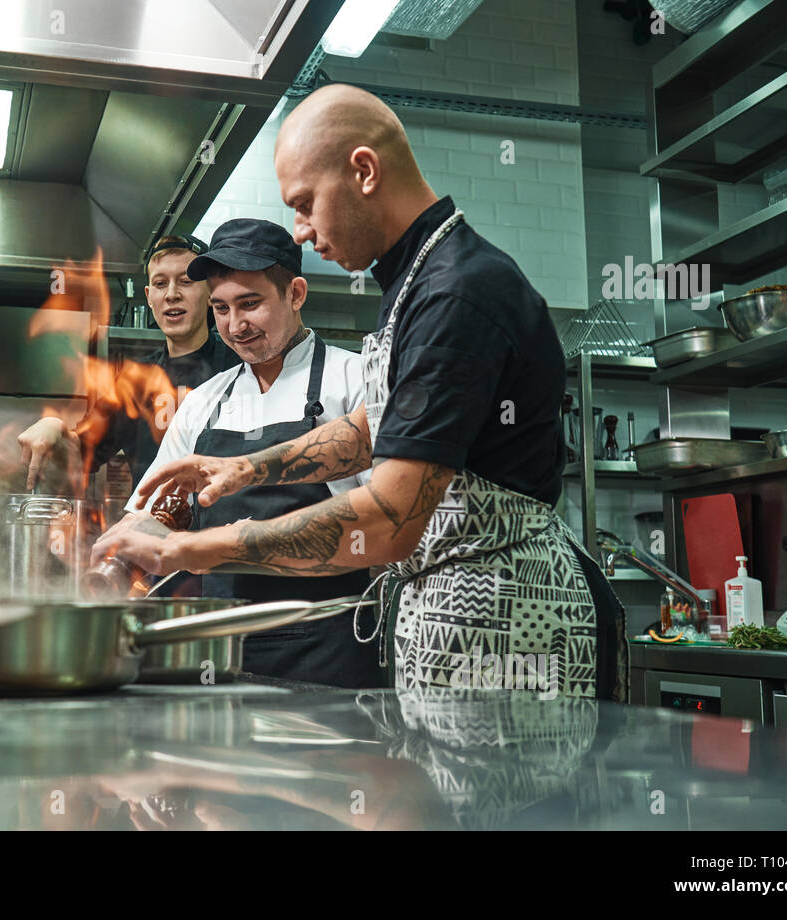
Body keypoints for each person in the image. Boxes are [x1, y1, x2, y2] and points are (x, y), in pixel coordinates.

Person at [92, 84, 627, 702]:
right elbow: (380, 428)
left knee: (485, 795)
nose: (303, 229)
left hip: (500, 620)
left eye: (305, 203)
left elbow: (391, 519)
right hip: (444, 607)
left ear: (364, 171)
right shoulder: (417, 279)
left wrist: (191, 550)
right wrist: (247, 468)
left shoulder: (456, 291)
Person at [102, 217, 385, 689]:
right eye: (220, 308)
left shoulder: (355, 381)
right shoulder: (204, 403)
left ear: (295, 294)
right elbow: (153, 512)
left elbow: (383, 522)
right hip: (222, 645)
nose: (235, 326)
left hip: (329, 645)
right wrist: (110, 559)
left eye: (250, 304)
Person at [17, 234, 238, 492]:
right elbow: (80, 456)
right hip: (152, 528)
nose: (171, 294)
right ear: (148, 296)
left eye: (186, 281)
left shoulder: (243, 367)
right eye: (160, 283)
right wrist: (54, 428)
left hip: (230, 530)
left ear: (211, 292)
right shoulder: (133, 382)